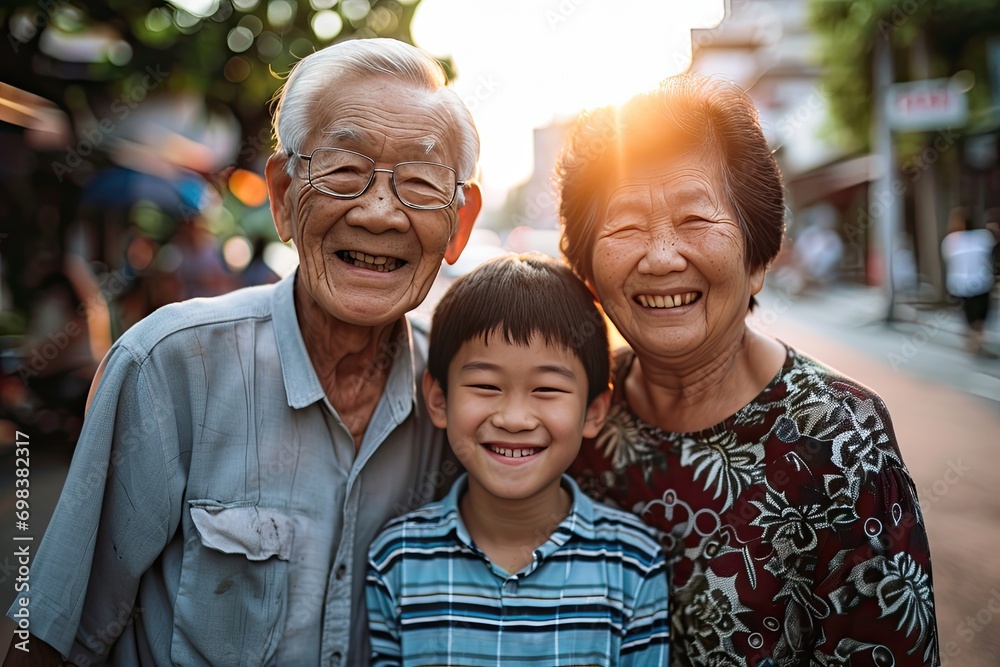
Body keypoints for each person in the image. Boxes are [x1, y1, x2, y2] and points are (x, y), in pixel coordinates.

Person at [4, 38, 481, 666]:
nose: (380, 213)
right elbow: (51, 643)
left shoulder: (466, 394)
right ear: (282, 195)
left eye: (420, 182)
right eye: (343, 170)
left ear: (460, 223)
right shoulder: (168, 366)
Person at [556, 74, 940, 666]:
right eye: (627, 225)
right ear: (587, 271)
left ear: (757, 258)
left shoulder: (841, 439)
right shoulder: (567, 413)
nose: (661, 257)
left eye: (695, 220)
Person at [365, 253, 670, 666]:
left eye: (546, 390)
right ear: (439, 400)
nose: (513, 419)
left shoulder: (632, 566)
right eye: (486, 385)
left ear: (594, 411)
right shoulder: (397, 561)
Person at [941, 207, 996, 357]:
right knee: (980, 313)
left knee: (971, 313)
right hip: (979, 283)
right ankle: (976, 336)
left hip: (963, 285)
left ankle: (974, 336)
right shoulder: (983, 238)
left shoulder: (950, 242)